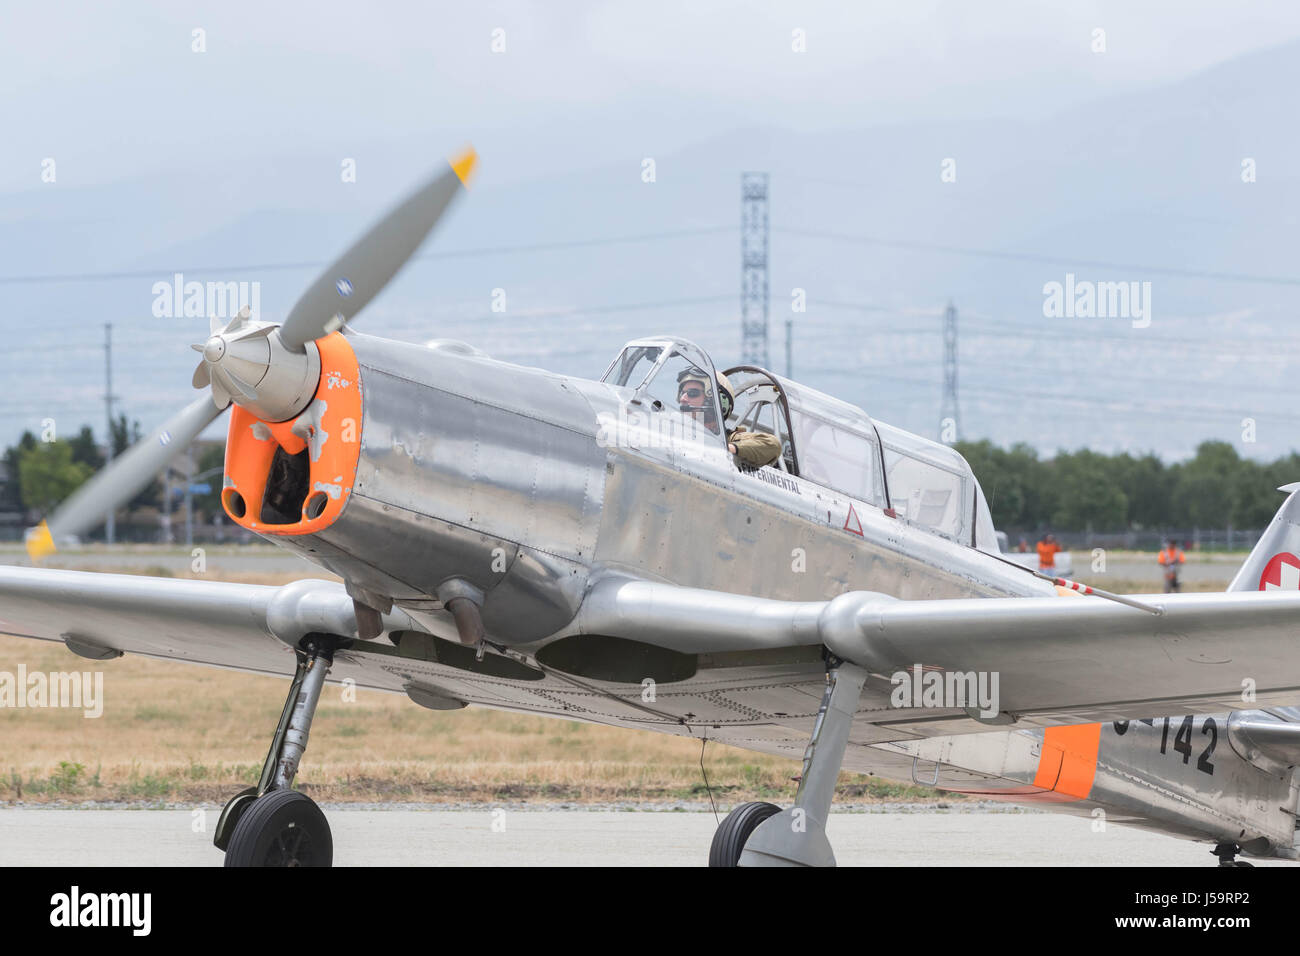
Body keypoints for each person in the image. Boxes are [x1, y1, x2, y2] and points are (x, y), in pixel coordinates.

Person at [676, 368, 781, 468]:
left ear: (716, 401)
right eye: (682, 393)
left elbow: (772, 445)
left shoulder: (730, 439)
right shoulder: (674, 434)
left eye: (692, 393)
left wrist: (726, 449)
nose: (683, 399)